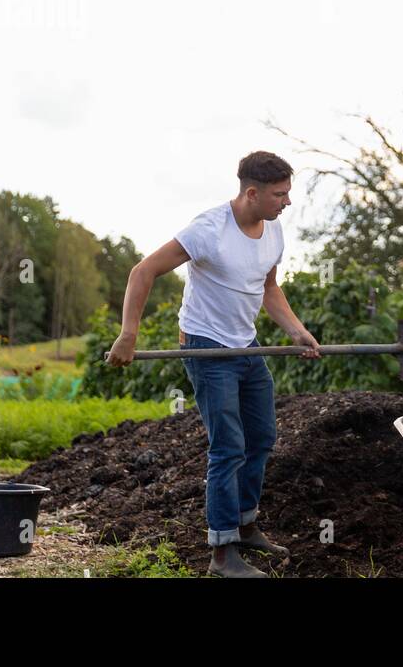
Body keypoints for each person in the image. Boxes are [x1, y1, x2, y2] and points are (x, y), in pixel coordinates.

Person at [107, 150, 321, 577]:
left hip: (245, 345)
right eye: (280, 194)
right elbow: (143, 271)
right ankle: (222, 554)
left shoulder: (274, 230)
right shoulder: (210, 229)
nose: (287, 203)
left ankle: (244, 526)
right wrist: (128, 333)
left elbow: (268, 287)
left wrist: (296, 330)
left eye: (288, 194)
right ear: (252, 192)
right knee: (228, 447)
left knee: (261, 436)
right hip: (206, 346)